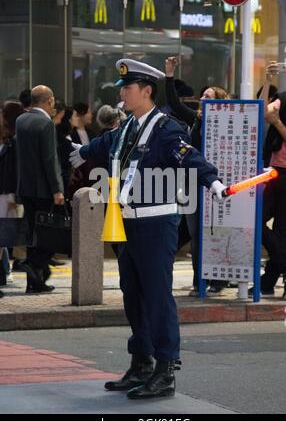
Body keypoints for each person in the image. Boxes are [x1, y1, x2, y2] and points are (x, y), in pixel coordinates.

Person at [70, 59, 226, 399]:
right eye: (122, 87)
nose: (122, 92)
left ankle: (166, 369)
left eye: (127, 88)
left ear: (147, 91)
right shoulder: (127, 128)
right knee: (133, 295)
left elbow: (190, 157)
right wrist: (81, 151)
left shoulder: (166, 128)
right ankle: (141, 361)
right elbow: (104, 145)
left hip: (156, 225)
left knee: (157, 296)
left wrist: (214, 183)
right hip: (127, 225)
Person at [165, 56, 230, 295]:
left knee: (215, 231)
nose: (203, 98)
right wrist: (169, 75)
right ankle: (199, 280)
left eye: (209, 96)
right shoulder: (197, 118)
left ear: (220, 103)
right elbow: (173, 103)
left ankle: (219, 280)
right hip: (193, 184)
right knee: (196, 234)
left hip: (215, 184)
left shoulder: (225, 123)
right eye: (204, 95)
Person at [16, 85, 64, 293]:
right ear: (49, 101)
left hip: (25, 187)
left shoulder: (21, 120)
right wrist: (57, 189)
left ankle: (34, 282)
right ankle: (32, 263)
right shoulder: (45, 123)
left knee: (34, 233)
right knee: (50, 234)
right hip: (44, 188)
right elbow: (49, 159)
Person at [249, 61, 286, 298]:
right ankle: (279, 263)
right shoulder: (282, 97)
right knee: (255, 220)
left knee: (283, 230)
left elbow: (272, 119)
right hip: (275, 172)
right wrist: (267, 80)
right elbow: (261, 113)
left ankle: (268, 282)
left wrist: (278, 123)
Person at [0, 101, 25, 291]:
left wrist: (15, 197)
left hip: (6, 197)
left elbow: (16, 171)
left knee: (3, 239)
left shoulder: (13, 143)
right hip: (5, 196)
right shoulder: (10, 142)